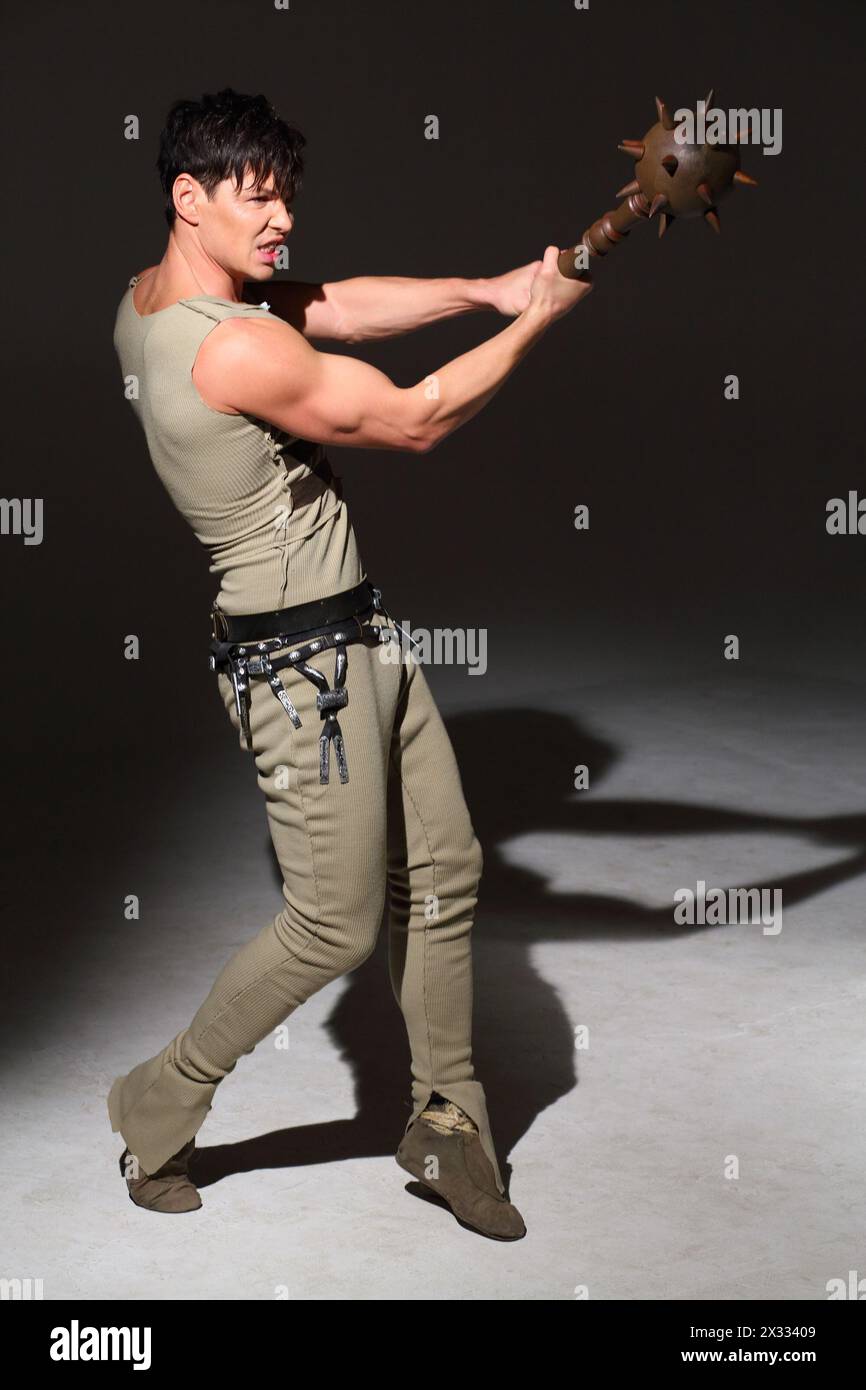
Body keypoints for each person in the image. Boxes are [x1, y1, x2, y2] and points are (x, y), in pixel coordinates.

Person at [108, 87, 591, 1241]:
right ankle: (156, 1098)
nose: (281, 220)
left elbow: (333, 305)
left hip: (358, 634)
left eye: (286, 196)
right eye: (257, 197)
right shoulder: (223, 354)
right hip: (298, 675)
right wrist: (540, 322)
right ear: (190, 196)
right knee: (332, 923)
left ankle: (445, 1122)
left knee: (444, 871)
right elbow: (417, 417)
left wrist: (490, 288)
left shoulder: (154, 297)